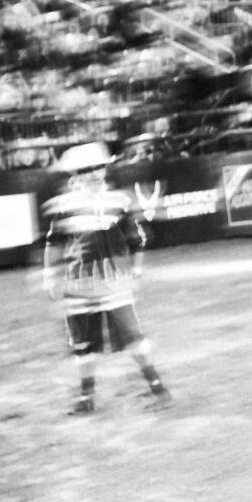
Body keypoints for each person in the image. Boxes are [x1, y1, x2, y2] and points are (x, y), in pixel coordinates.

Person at [40, 142, 173, 415]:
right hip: (76, 285)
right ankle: (86, 398)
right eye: (86, 169)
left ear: (105, 169)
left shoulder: (120, 201)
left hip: (114, 283)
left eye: (98, 167)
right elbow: (53, 245)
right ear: (74, 174)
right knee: (82, 344)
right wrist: (49, 276)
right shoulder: (61, 207)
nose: (93, 174)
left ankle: (158, 388)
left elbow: (137, 240)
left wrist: (135, 272)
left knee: (134, 336)